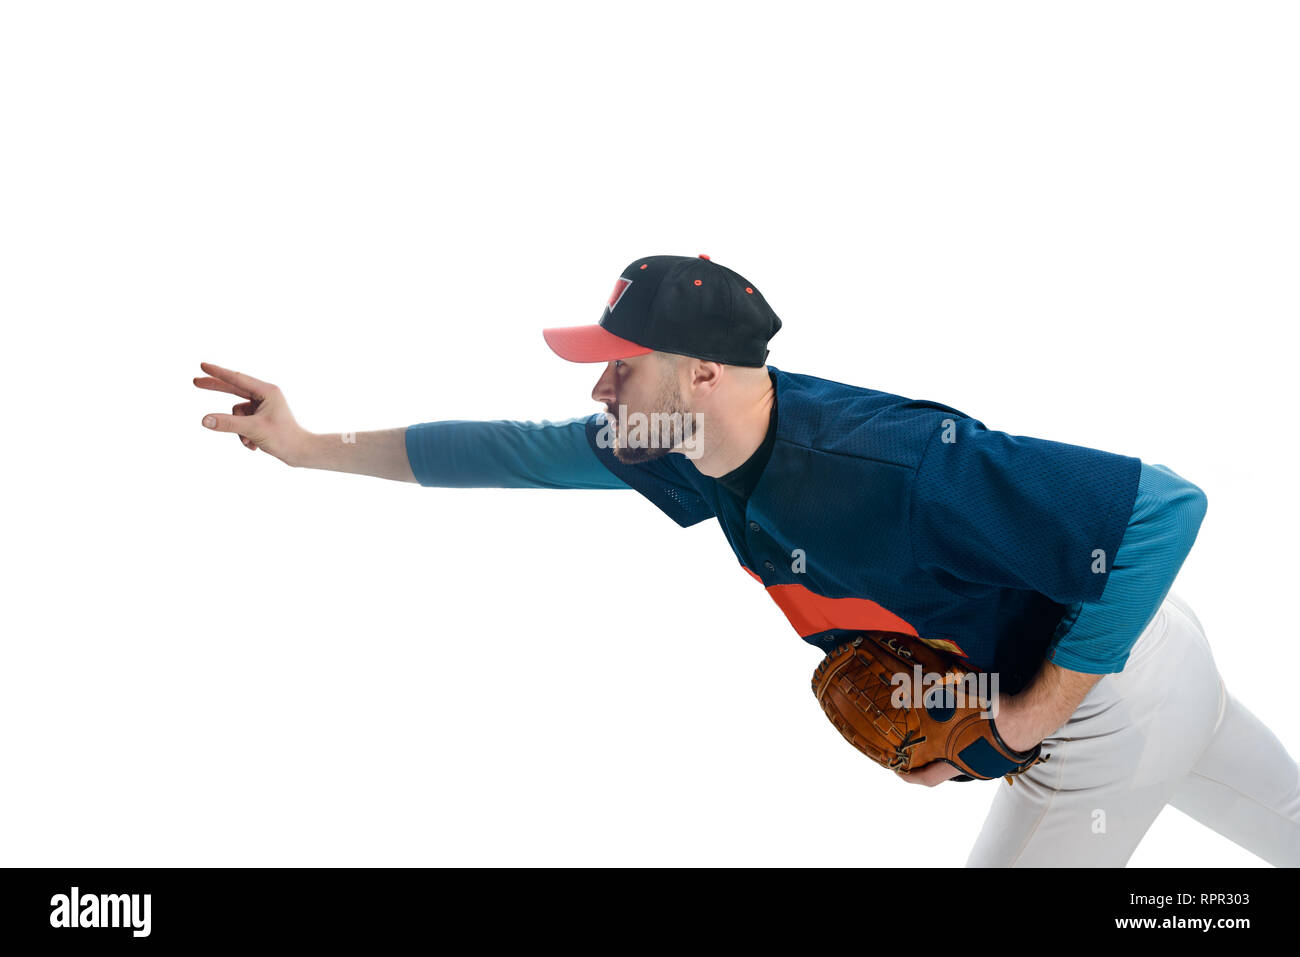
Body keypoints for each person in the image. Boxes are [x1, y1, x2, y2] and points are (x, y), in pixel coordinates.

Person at [195, 253, 1300, 867]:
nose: (597, 391)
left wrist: (1028, 718)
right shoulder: (678, 444)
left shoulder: (896, 465)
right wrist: (306, 448)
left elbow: (1162, 510)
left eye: (620, 366)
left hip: (1107, 691)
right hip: (1149, 657)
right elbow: (515, 453)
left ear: (705, 374)